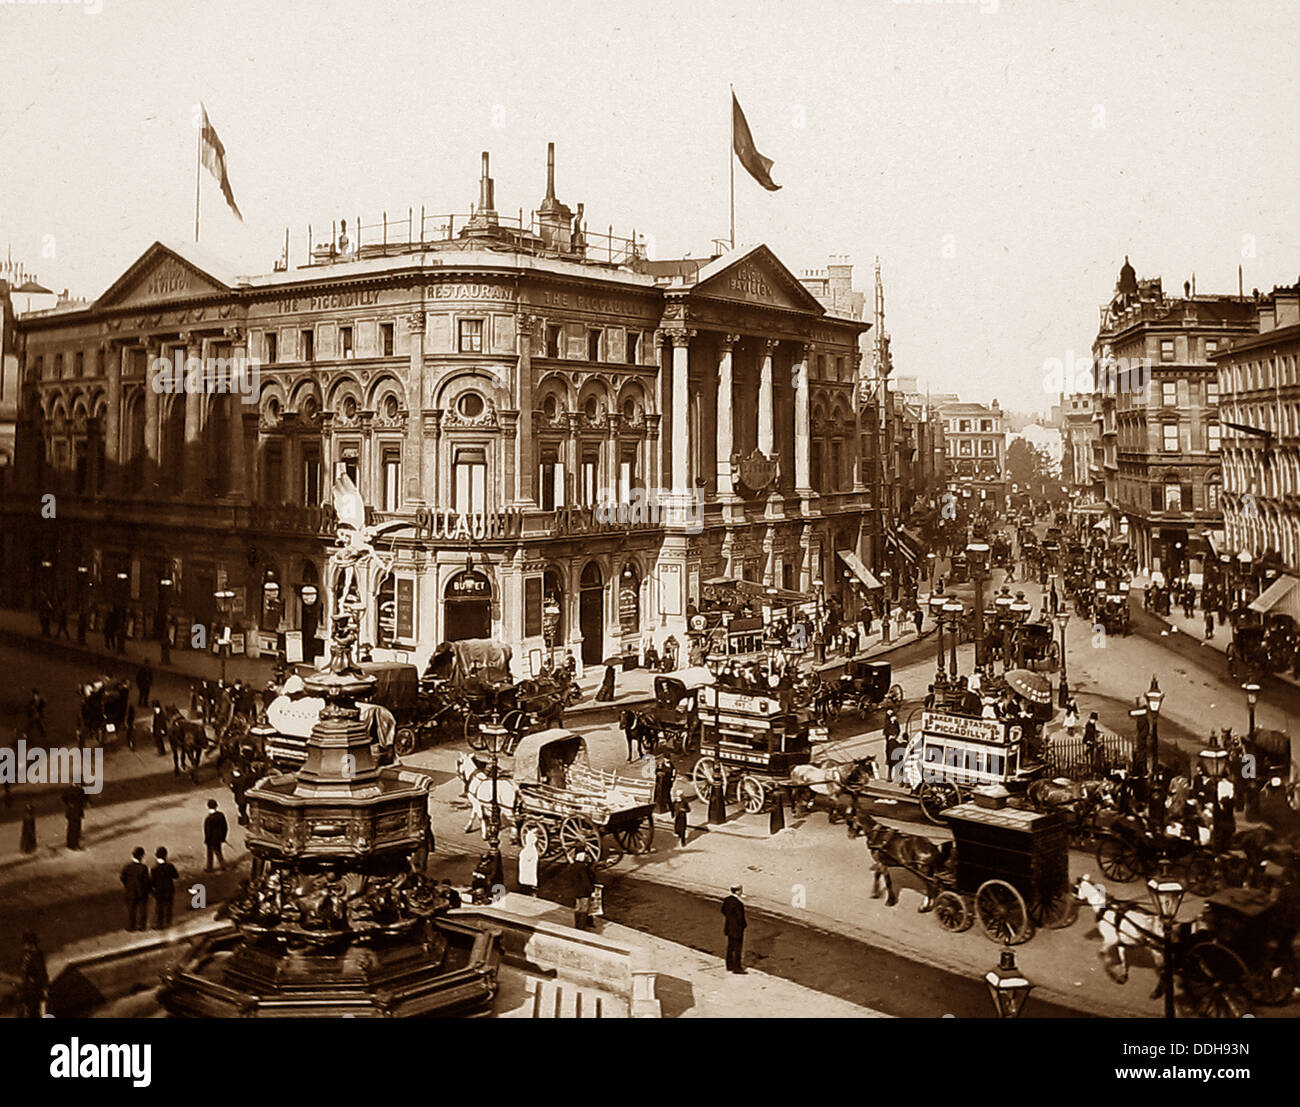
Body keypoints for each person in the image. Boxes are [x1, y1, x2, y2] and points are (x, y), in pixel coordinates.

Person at [120, 846, 151, 931]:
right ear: (141, 857)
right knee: (142, 910)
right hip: (141, 892)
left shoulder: (127, 867)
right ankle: (142, 926)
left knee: (131, 910)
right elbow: (146, 881)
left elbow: (123, 878)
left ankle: (131, 926)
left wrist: (128, 886)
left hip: (130, 891)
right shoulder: (143, 868)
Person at [18, 931, 48, 1018]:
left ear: (30, 944)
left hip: (33, 988)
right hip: (33, 988)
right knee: (36, 1011)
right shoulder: (34, 955)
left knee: (34, 1011)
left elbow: (39, 972)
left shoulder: (31, 955)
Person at [151, 846, 179, 929]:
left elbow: (153, 881)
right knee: (168, 907)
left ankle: (159, 924)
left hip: (159, 890)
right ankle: (168, 922)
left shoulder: (154, 868)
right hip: (169, 889)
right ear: (165, 855)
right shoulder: (170, 866)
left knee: (159, 907)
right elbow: (176, 875)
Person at [722, 885, 747, 973]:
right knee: (737, 949)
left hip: (729, 927)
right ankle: (737, 968)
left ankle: (729, 966)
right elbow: (740, 918)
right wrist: (743, 925)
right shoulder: (738, 904)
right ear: (737, 891)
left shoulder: (727, 900)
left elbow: (723, 911)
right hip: (737, 929)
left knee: (730, 947)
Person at [569, 851, 596, 929]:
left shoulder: (573, 866)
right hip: (584, 891)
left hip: (576, 890)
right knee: (584, 908)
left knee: (577, 908)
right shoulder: (583, 868)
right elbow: (586, 880)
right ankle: (581, 926)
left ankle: (577, 924)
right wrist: (591, 891)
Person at [203, 799, 228, 872]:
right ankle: (223, 865)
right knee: (218, 851)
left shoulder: (209, 818)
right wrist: (223, 837)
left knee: (210, 853)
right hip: (219, 837)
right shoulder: (221, 815)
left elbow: (208, 831)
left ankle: (209, 867)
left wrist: (206, 839)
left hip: (211, 838)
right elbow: (225, 827)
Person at [62, 783, 87, 851]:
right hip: (74, 812)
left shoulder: (71, 789)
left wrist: (69, 804)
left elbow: (64, 797)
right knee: (74, 829)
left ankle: (71, 844)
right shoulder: (76, 790)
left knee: (73, 828)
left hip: (73, 812)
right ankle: (74, 845)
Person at [517, 827, 539, 896]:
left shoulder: (529, 848)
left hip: (528, 862)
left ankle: (527, 883)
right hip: (528, 862)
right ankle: (529, 884)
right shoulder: (530, 849)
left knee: (529, 872)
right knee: (530, 872)